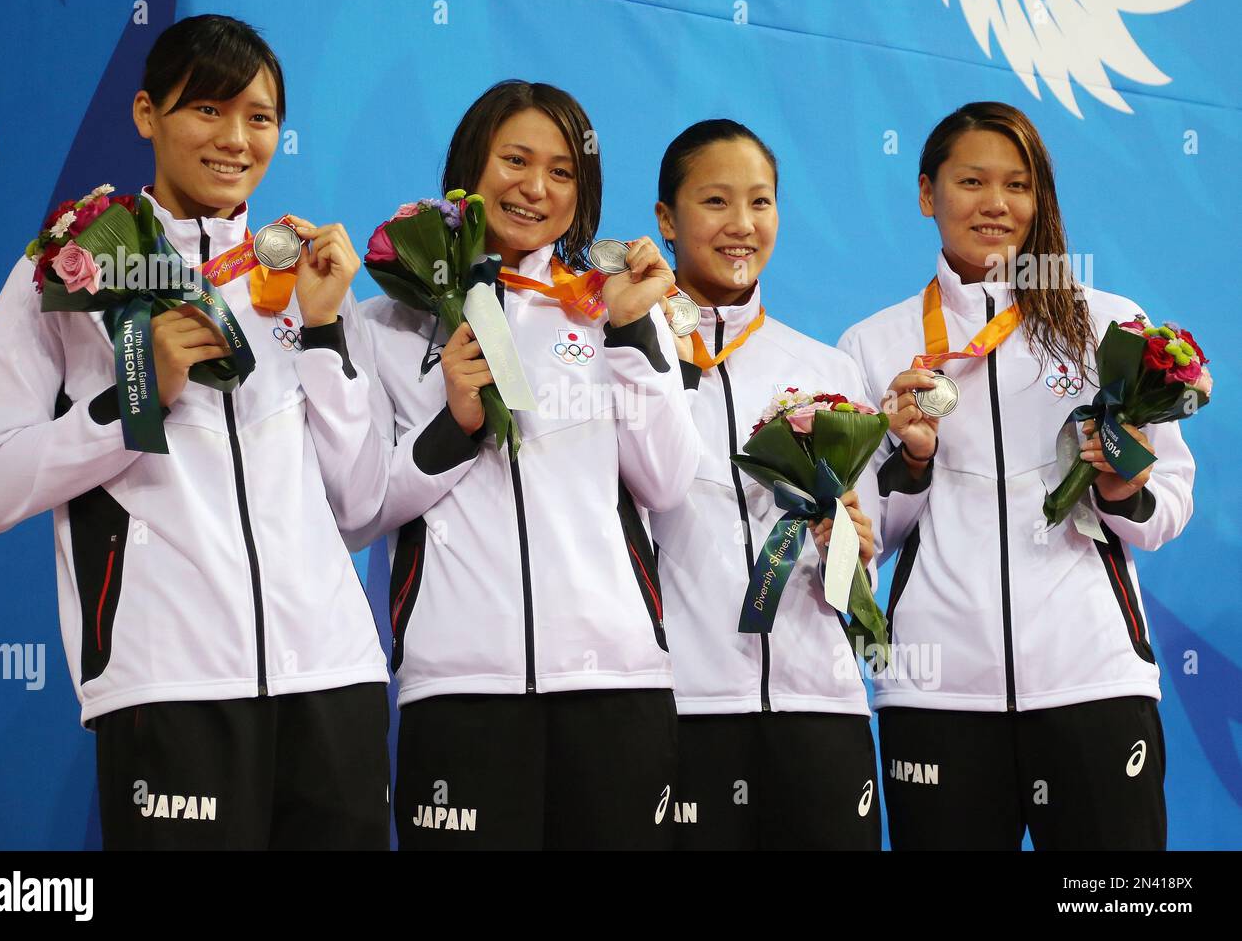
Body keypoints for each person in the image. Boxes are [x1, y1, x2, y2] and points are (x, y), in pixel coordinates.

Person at [0, 14, 393, 849]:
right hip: (170, 682)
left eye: (260, 117)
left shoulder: (299, 272)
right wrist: (137, 395)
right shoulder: (69, 268)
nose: (236, 139)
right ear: (146, 113)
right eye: (207, 109)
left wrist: (328, 329)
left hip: (335, 678)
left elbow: (358, 502)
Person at [837, 101, 1195, 850]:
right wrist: (912, 459)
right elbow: (863, 543)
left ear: (1041, 200)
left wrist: (1122, 488)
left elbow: (1169, 507)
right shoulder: (874, 346)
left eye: (1018, 185)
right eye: (971, 181)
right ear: (928, 193)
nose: (996, 204)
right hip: (937, 691)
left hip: (1091, 678)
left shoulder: (1106, 326)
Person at [355, 80, 701, 849]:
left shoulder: (604, 309)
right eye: (515, 160)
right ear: (470, 165)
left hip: (616, 686)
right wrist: (454, 424)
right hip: (460, 688)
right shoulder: (387, 322)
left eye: (562, 172)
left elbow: (669, 480)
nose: (536, 187)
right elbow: (360, 508)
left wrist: (633, 332)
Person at [648, 119, 882, 849]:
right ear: (666, 221)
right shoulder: (624, 359)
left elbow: (850, 577)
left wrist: (849, 544)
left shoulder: (828, 371)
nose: (742, 225)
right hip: (685, 703)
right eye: (715, 202)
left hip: (823, 707)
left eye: (761, 202)